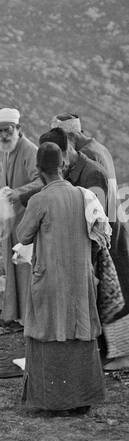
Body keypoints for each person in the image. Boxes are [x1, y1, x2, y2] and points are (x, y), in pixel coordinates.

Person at [15, 142, 105, 414]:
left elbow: (23, 235)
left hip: (50, 281)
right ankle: (82, 400)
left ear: (38, 169)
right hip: (80, 279)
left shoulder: (40, 199)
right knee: (81, 332)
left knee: (49, 332)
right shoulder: (83, 196)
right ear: (62, 165)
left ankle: (53, 403)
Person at [53, 115, 129, 317]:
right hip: (114, 229)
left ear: (69, 138)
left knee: (111, 305)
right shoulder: (97, 148)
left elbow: (95, 213)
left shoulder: (87, 158)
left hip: (107, 239)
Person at [0, 107, 41, 326]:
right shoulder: (7, 149)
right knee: (12, 266)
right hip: (12, 220)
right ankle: (15, 314)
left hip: (26, 220)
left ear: (18, 129)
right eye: (0, 131)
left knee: (24, 266)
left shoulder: (29, 150)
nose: (4, 135)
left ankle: (28, 316)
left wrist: (18, 193)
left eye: (8, 130)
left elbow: (41, 181)